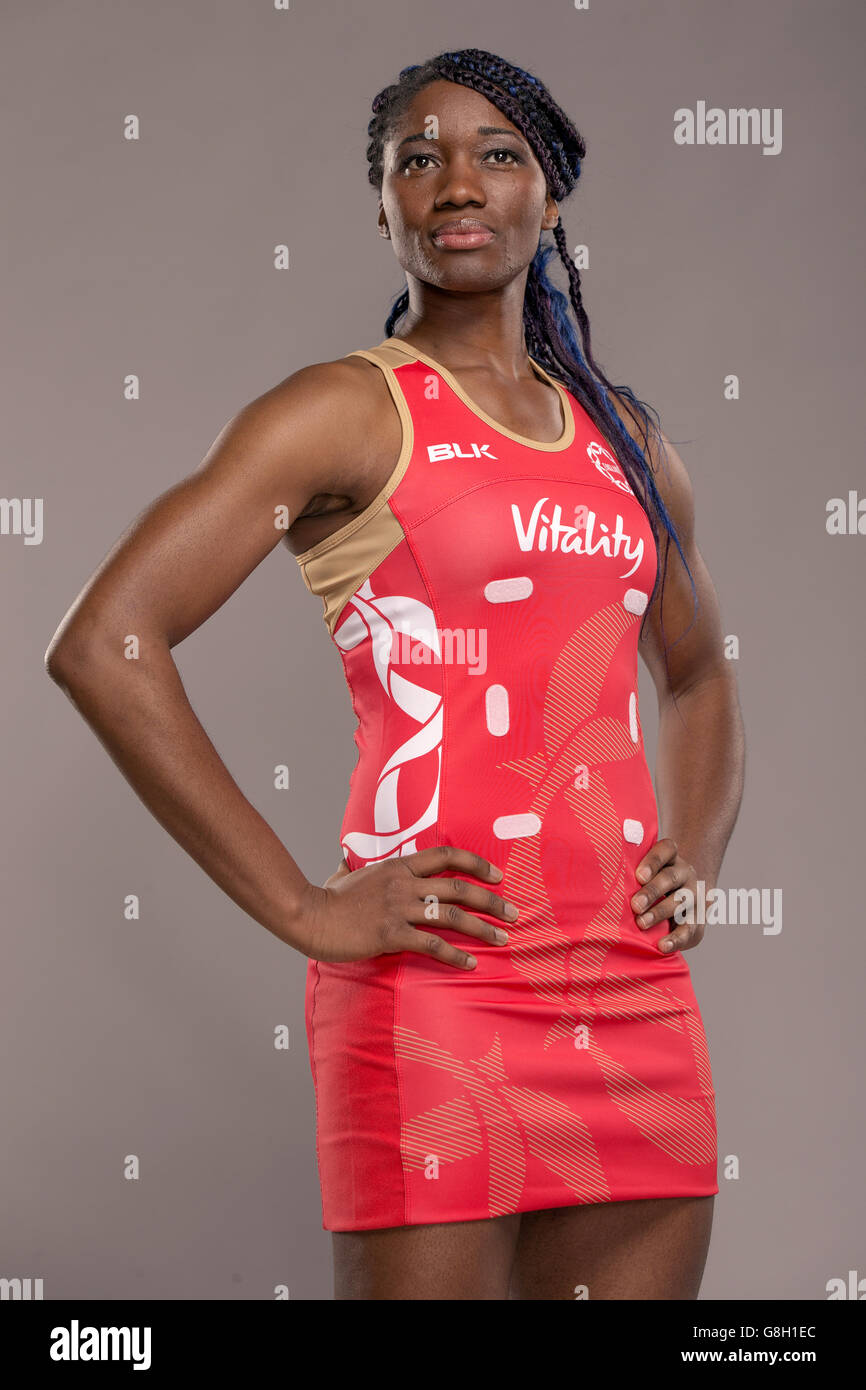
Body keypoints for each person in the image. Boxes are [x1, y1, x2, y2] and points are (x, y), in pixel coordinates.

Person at [45, 48, 745, 1300]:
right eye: (415, 159)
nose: (454, 183)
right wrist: (310, 910)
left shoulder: (627, 445)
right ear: (380, 204)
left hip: (628, 992)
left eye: (496, 154)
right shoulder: (341, 414)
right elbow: (108, 640)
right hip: (437, 992)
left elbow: (695, 674)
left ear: (551, 197)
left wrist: (693, 851)